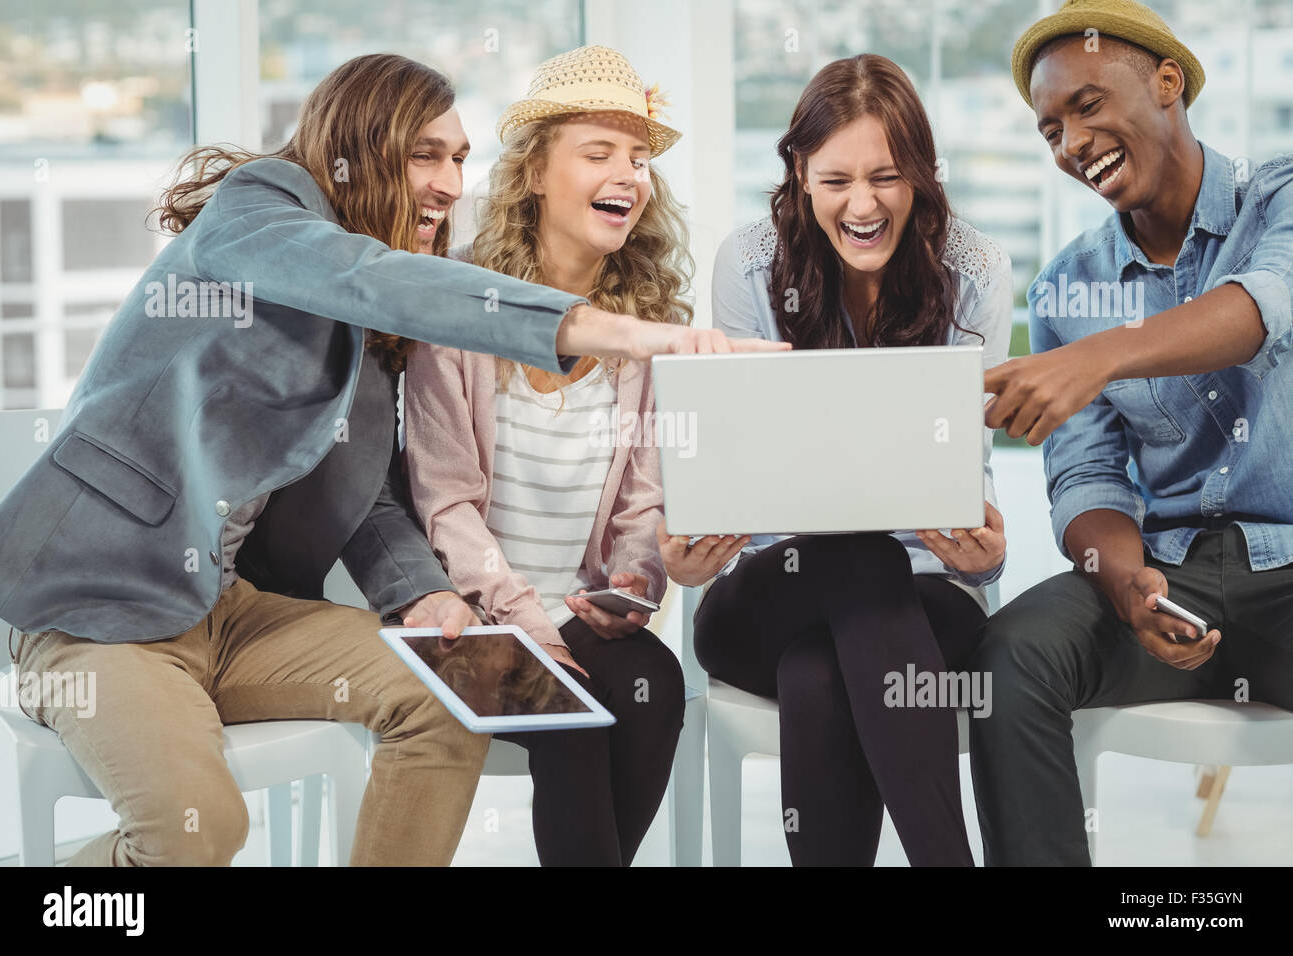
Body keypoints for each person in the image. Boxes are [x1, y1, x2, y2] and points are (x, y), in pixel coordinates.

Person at [0, 52, 779, 867]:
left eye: (460, 159)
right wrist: (624, 330)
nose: (449, 183)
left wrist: (428, 595)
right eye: (425, 155)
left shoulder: (370, 340)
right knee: (194, 836)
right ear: (360, 149)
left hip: (232, 615)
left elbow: (368, 498)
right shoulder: (256, 212)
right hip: (96, 618)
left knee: (452, 697)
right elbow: (366, 277)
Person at [970, 0, 1293, 865]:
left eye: (1086, 105)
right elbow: (1088, 479)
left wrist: (1103, 357)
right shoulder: (1069, 282)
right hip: (1170, 568)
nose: (1072, 143)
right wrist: (1125, 583)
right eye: (1050, 131)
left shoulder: (1281, 199)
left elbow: (1264, 308)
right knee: (1009, 660)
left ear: (1167, 81)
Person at [681, 54, 1012, 866]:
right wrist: (695, 540)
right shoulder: (750, 263)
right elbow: (738, 461)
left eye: (887, 178)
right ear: (798, 171)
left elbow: (967, 470)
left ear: (922, 177)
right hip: (766, 594)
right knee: (857, 561)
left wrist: (984, 554)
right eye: (835, 180)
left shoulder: (974, 272)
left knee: (820, 676)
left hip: (921, 605)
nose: (862, 206)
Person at [401, 46, 691, 866]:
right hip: (473, 618)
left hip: (579, 612)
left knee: (653, 686)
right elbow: (444, 503)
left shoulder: (646, 324)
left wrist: (636, 583)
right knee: (571, 720)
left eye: (638, 159)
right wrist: (531, 625)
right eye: (598, 153)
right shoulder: (457, 308)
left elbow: (644, 502)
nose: (627, 176)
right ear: (534, 174)